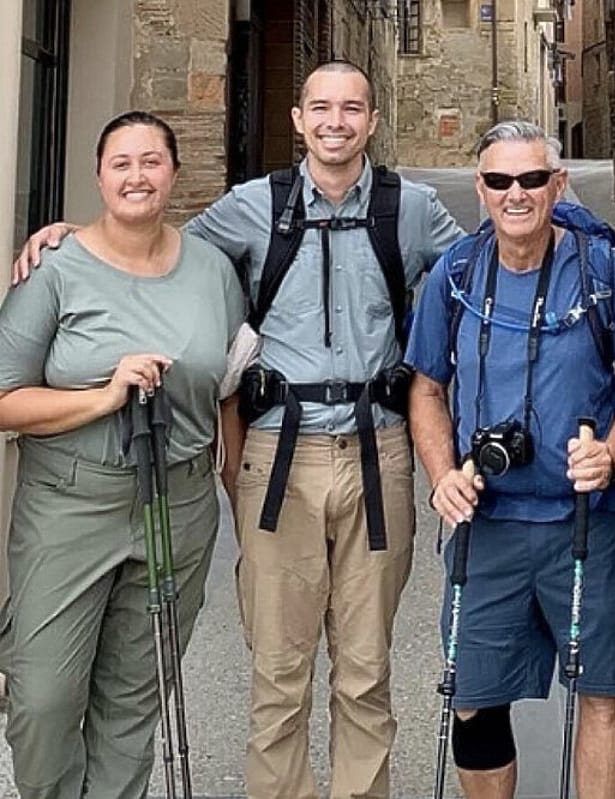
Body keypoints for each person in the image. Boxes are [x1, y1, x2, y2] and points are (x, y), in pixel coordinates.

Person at [10, 61, 465, 799]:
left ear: (373, 120)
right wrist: (69, 233)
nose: (336, 122)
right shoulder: (254, 207)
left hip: (378, 449)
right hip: (280, 451)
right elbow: (155, 241)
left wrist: (584, 232)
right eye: (321, 107)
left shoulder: (407, 209)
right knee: (279, 671)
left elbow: (482, 264)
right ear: (298, 119)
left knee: (366, 667)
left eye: (352, 108)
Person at [0, 111, 243, 799]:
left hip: (180, 503)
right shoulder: (54, 270)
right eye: (121, 163)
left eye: (151, 161)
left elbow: (226, 394)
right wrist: (103, 398)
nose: (137, 175)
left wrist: (242, 505)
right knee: (44, 694)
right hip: (71, 504)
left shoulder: (213, 271)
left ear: (173, 172)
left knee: (132, 701)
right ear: (99, 175)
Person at [407, 120, 615, 799]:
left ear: (559, 184)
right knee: (473, 694)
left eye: (533, 178)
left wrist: (613, 450)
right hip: (488, 520)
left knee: (602, 691)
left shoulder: (608, 275)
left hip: (590, 516)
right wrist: (442, 475)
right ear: (480, 189)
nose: (516, 193)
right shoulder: (453, 276)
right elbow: (426, 386)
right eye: (499, 180)